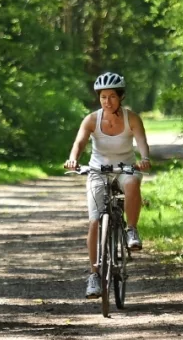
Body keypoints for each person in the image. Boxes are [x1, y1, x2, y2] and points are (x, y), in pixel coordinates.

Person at [64, 71, 152, 299]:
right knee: (94, 221)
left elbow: (142, 143)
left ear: (120, 97)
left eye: (112, 96)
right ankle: (94, 274)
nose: (107, 101)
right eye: (103, 97)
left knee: (132, 183)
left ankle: (131, 230)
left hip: (125, 168)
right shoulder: (92, 119)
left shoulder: (131, 118)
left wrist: (144, 159)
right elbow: (80, 142)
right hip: (97, 170)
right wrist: (73, 158)